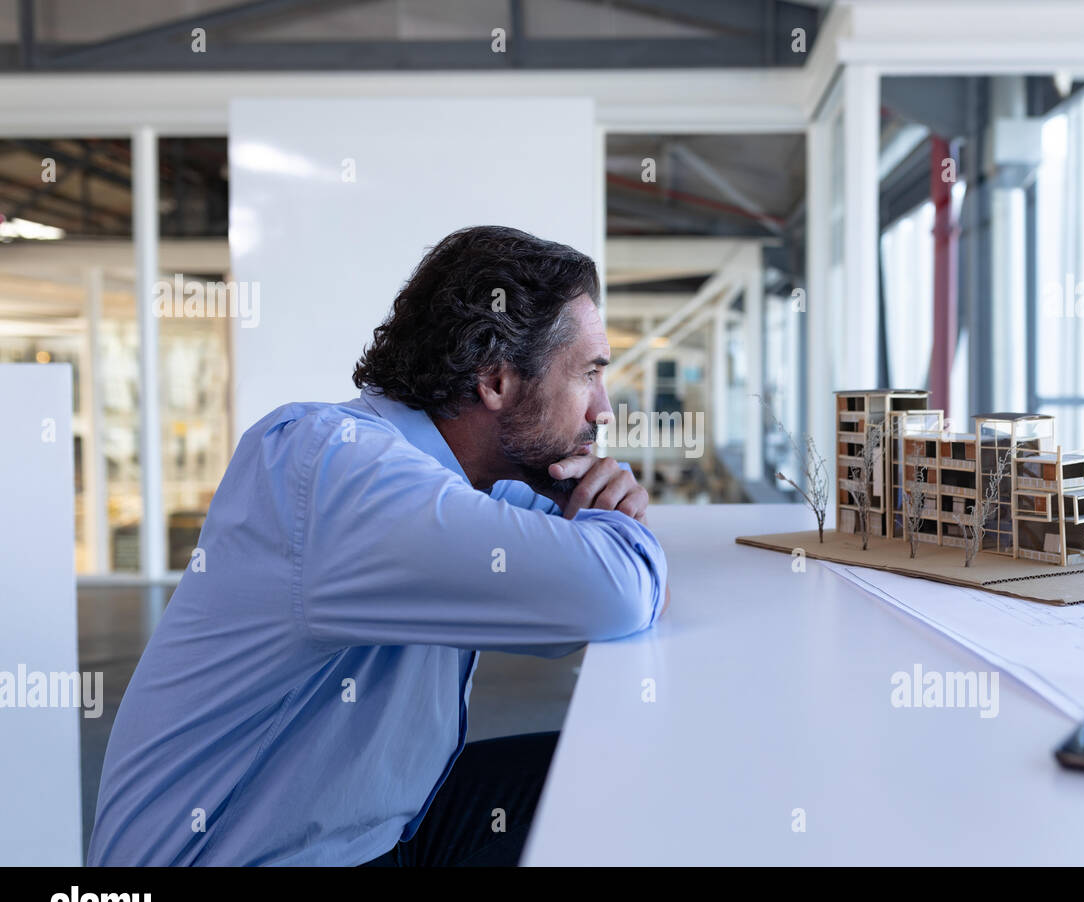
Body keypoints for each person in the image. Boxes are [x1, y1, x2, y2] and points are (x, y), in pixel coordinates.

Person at [87, 225, 669, 867]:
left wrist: (606, 522)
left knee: (606, 764)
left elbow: (567, 603)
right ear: (497, 380)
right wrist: (617, 523)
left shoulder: (467, 482)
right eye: (589, 374)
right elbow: (609, 592)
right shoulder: (331, 467)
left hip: (374, 830)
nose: (604, 411)